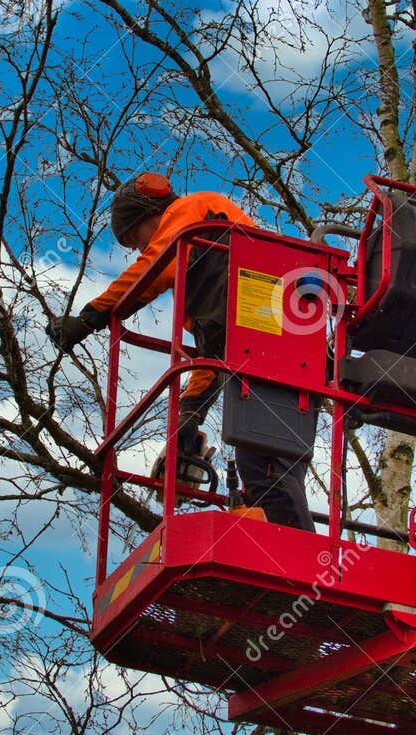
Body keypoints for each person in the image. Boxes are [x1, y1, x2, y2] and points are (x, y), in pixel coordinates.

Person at [48, 172, 313, 531]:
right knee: (259, 463)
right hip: (276, 357)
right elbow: (212, 355)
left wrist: (89, 317)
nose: (139, 250)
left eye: (134, 239)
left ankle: (296, 563)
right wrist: (189, 415)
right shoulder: (210, 283)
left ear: (149, 214)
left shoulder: (194, 211)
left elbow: (147, 273)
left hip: (281, 352)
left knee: (266, 461)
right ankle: (283, 551)